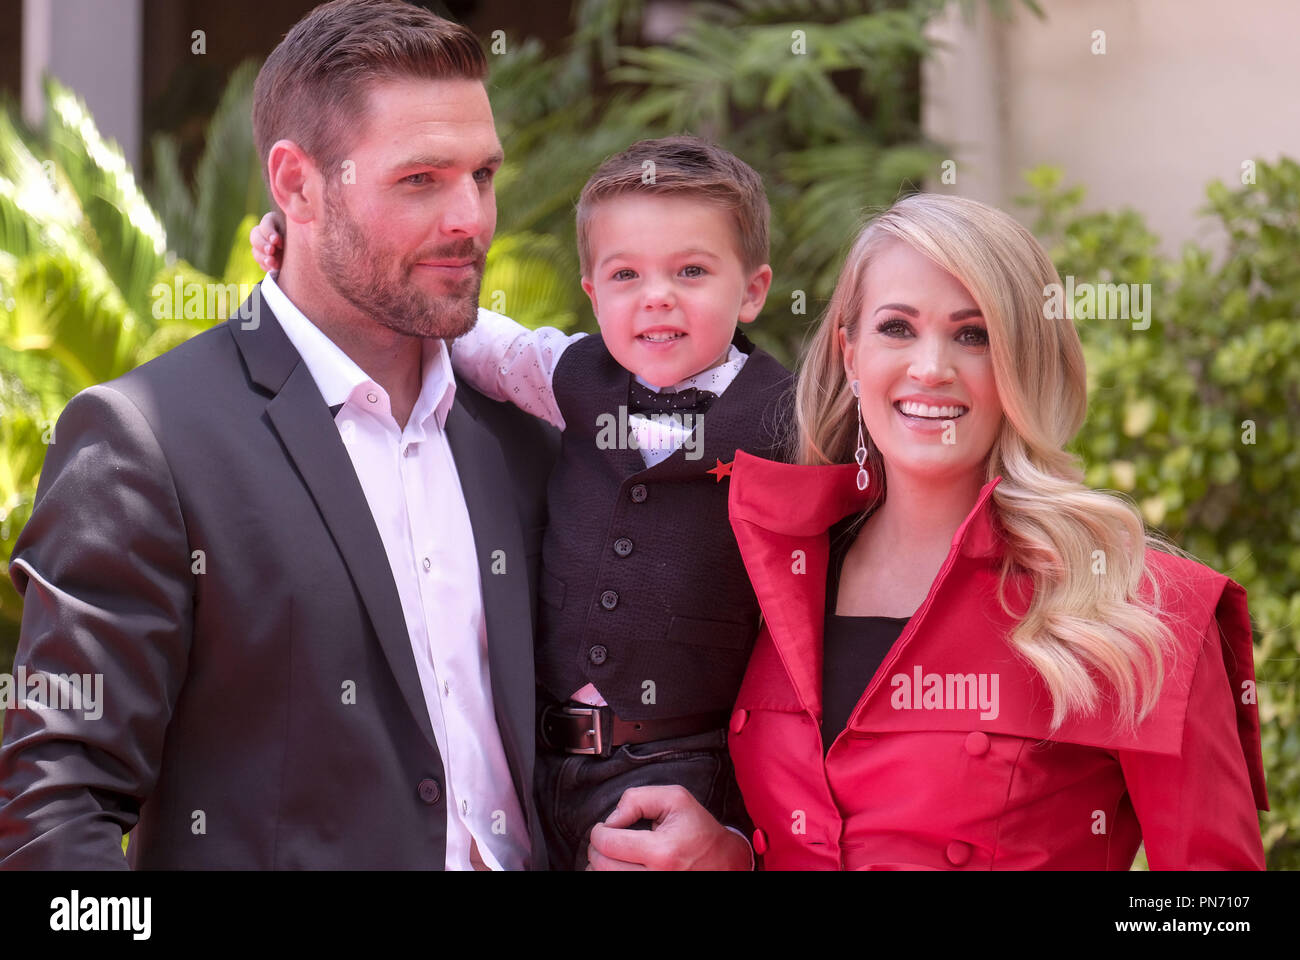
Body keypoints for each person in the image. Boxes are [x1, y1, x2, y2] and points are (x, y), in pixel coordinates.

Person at [0, 0, 557, 869]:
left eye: (482, 176)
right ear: (295, 184)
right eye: (421, 180)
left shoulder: (527, 427)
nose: (470, 220)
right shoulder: (144, 445)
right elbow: (52, 813)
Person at [587, 192, 1269, 870]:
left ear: (1021, 364)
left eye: (973, 334)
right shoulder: (770, 572)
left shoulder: (1140, 608)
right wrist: (730, 859)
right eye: (897, 328)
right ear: (850, 356)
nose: (931, 367)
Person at [251, 135, 794, 870]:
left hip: (678, 770)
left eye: (691, 271)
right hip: (538, 770)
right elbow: (468, 334)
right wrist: (308, 255)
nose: (657, 295)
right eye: (626, 274)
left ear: (754, 289)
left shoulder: (794, 420)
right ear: (593, 293)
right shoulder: (569, 374)